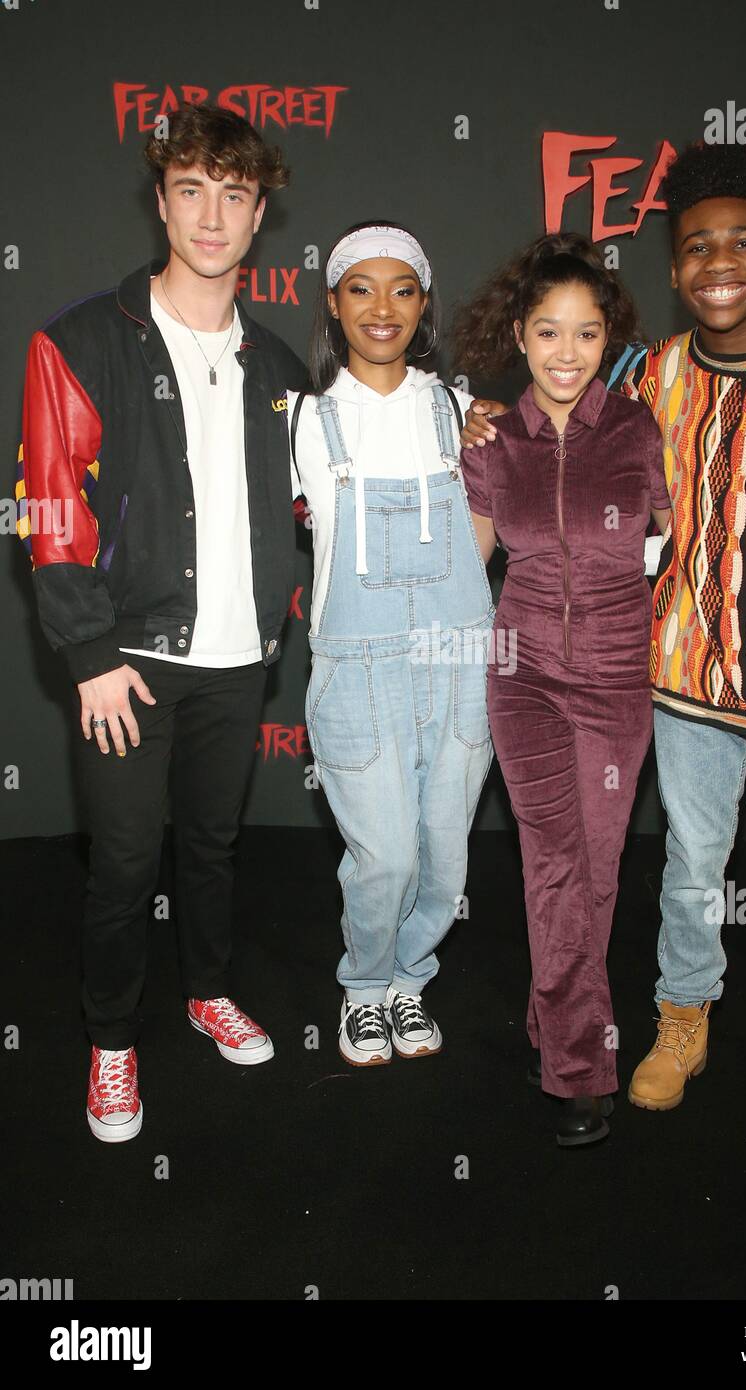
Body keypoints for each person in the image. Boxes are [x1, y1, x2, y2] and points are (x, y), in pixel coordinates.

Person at [463, 145, 746, 1132]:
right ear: (670, 268)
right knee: (687, 866)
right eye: (696, 245)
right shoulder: (657, 378)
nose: (719, 262)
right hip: (680, 685)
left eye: (742, 241)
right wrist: (482, 426)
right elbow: (544, 478)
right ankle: (678, 1016)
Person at [16, 103, 308, 1142]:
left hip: (240, 662)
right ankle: (109, 1044)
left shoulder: (279, 366)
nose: (212, 213)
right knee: (126, 862)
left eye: (234, 193)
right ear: (161, 201)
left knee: (214, 849)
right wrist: (89, 655)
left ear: (259, 209)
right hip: (128, 662)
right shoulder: (80, 340)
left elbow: (321, 498)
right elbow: (49, 507)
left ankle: (208, 989)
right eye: (192, 189)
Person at [454, 233, 671, 1147]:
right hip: (525, 674)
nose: (566, 353)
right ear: (519, 334)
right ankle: (580, 1064)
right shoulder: (495, 438)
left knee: (598, 867)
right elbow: (470, 566)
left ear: (608, 338)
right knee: (553, 863)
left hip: (621, 676)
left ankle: (556, 1014)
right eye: (548, 333)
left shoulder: (638, 429)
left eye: (586, 334)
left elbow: (673, 549)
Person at [289, 222, 494, 1069]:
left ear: (423, 305)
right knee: (385, 855)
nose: (383, 308)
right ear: (334, 305)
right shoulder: (301, 418)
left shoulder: (459, 410)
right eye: (361, 289)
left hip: (457, 667)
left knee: (445, 856)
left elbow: (485, 535)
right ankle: (365, 988)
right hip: (357, 671)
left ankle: (411, 978)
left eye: (402, 289)